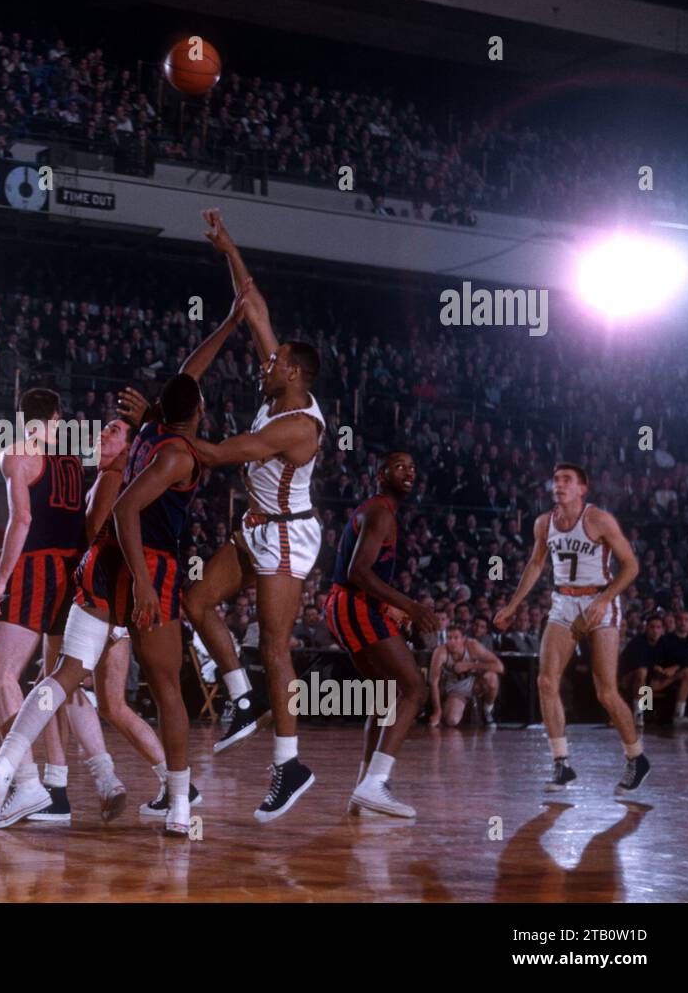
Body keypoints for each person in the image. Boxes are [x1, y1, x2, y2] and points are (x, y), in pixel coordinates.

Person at [0, 372, 205, 835]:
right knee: (88, 692)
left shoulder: (114, 478)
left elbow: (48, 524)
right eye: (103, 430)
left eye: (115, 432)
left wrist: (0, 574)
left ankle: (51, 783)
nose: (102, 434)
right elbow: (55, 525)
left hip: (116, 586)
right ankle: (113, 784)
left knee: (62, 684)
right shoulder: (92, 470)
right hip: (98, 583)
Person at [184, 210, 326, 821]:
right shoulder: (280, 388)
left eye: (273, 362)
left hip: (289, 537)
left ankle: (289, 765)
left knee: (275, 648)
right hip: (256, 525)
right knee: (194, 601)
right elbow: (255, 305)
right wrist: (229, 247)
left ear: (293, 371)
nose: (261, 364)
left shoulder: (297, 425)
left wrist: (162, 432)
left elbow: (214, 455)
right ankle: (241, 699)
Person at [494, 463, 648, 796]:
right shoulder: (543, 523)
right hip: (563, 602)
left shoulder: (599, 519)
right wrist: (513, 605)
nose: (559, 485)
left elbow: (631, 565)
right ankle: (561, 763)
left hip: (598, 600)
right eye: (556, 480)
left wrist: (606, 598)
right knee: (546, 681)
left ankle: (636, 757)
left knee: (605, 691)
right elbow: (536, 564)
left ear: (582, 488)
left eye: (567, 481)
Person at [324, 451, 437, 816]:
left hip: (348, 605)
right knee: (414, 689)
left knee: (383, 697)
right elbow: (358, 571)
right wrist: (412, 606)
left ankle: (364, 790)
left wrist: (390, 607)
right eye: (400, 466)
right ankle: (375, 783)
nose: (409, 471)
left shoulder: (379, 511)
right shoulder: (380, 512)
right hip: (353, 603)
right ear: (380, 473)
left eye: (413, 467)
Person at [429, 624, 505, 728]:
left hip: (475, 683)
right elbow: (433, 682)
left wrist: (470, 665)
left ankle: (488, 709)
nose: (452, 642)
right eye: (449, 638)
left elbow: (499, 667)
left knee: (492, 678)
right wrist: (437, 711)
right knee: (452, 720)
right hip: (455, 688)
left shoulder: (473, 645)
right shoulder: (440, 652)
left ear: (463, 639)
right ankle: (449, 707)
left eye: (456, 638)